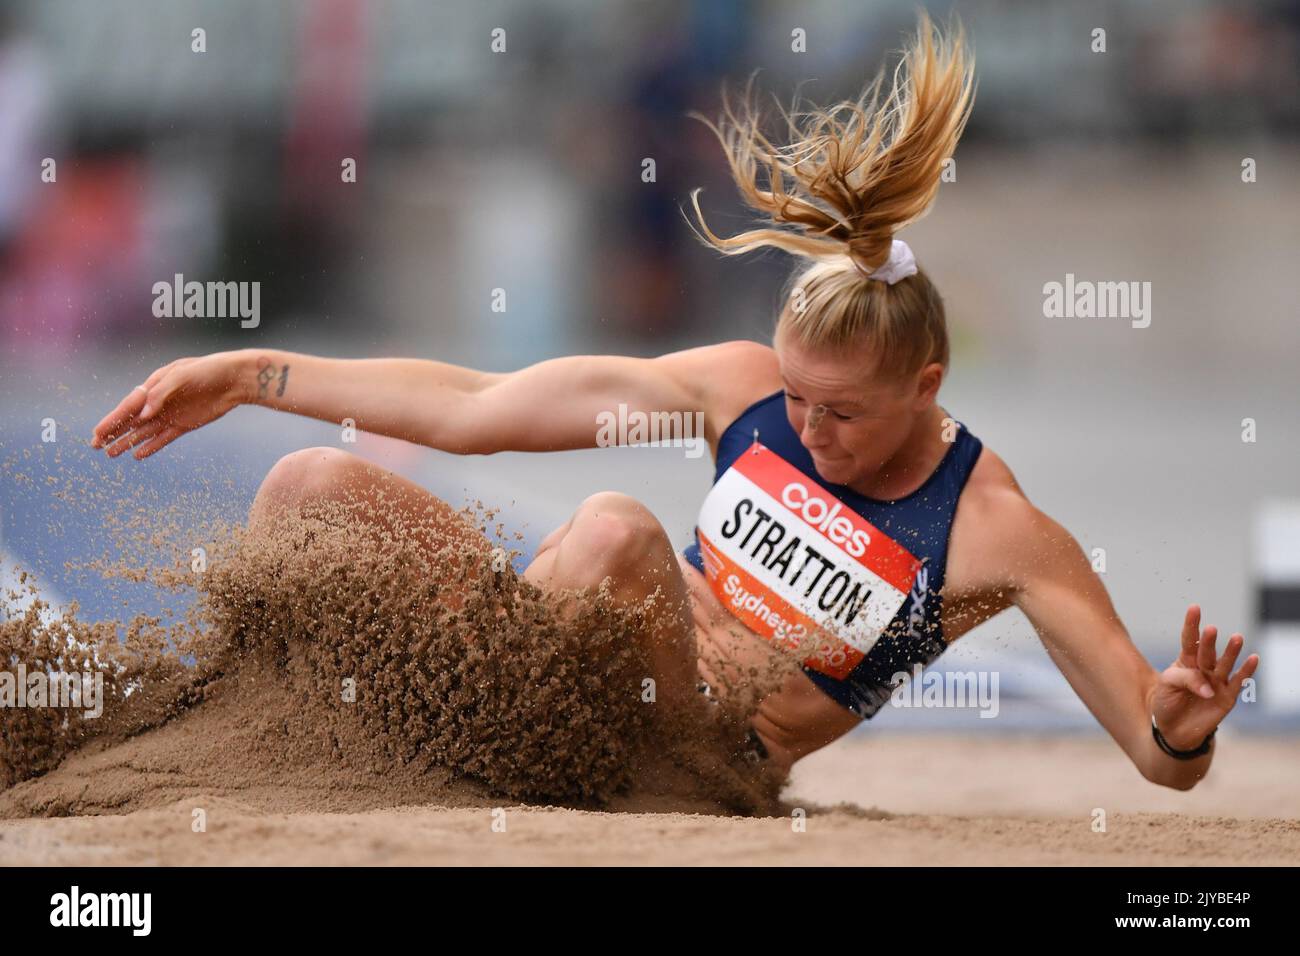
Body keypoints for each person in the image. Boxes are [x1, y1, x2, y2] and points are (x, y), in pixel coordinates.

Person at [92, 14, 1257, 786]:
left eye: (842, 414)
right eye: (795, 397)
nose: (806, 429)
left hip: (696, 761)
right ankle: (257, 735)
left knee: (612, 531)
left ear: (925, 387)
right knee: (314, 486)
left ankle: (449, 738)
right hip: (553, 682)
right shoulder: (734, 392)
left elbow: (1157, 755)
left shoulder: (992, 529)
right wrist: (252, 375)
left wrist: (1179, 723)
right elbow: (473, 408)